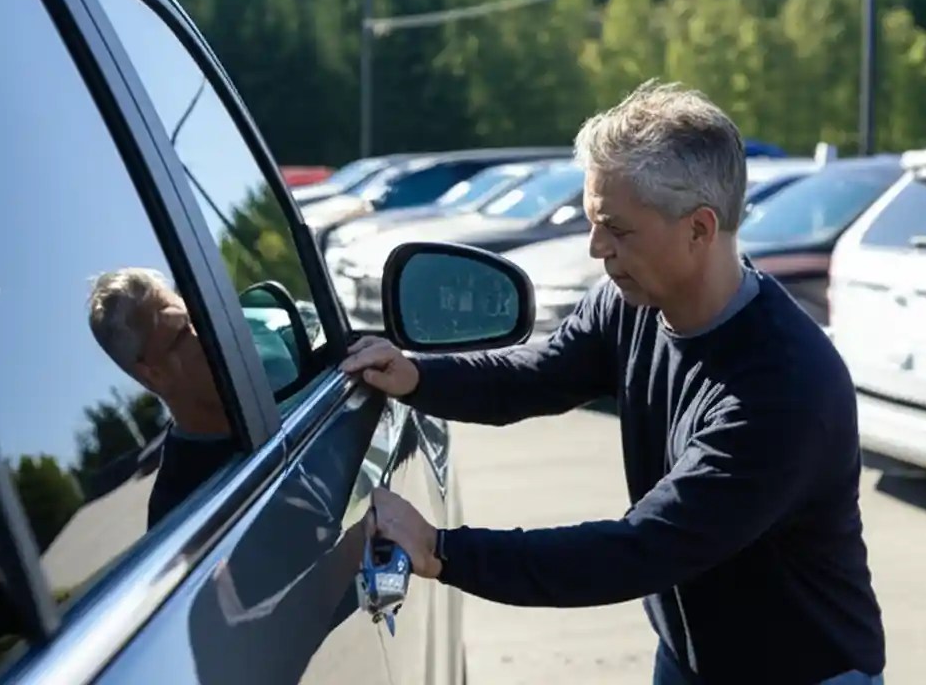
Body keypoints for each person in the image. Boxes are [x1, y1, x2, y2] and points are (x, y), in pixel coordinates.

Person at [341, 81, 886, 685]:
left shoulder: (780, 391)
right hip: (689, 661)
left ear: (700, 230)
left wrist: (442, 550)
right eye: (594, 222)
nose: (597, 247)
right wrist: (416, 375)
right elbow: (539, 375)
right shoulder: (633, 304)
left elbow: (635, 551)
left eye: (618, 230)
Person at [88, 267, 239, 530]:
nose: (209, 329)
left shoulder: (268, 375)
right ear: (155, 375)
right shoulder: (178, 514)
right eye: (183, 329)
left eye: (197, 313)